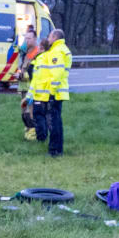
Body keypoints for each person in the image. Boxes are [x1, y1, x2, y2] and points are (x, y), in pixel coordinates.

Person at [41, 29, 72, 157]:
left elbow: (56, 73)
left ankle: (54, 150)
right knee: (57, 121)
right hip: (60, 91)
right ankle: (58, 148)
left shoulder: (57, 51)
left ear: (54, 37)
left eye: (49, 37)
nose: (48, 39)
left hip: (55, 92)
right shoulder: (63, 49)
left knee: (53, 122)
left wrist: (51, 92)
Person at [17, 27, 42, 140]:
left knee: (30, 112)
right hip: (23, 87)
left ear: (35, 39)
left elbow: (36, 72)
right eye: (26, 38)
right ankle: (27, 130)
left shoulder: (38, 53)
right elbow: (21, 67)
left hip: (32, 88)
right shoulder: (24, 53)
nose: (27, 40)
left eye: (29, 38)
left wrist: (24, 75)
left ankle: (33, 133)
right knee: (24, 113)